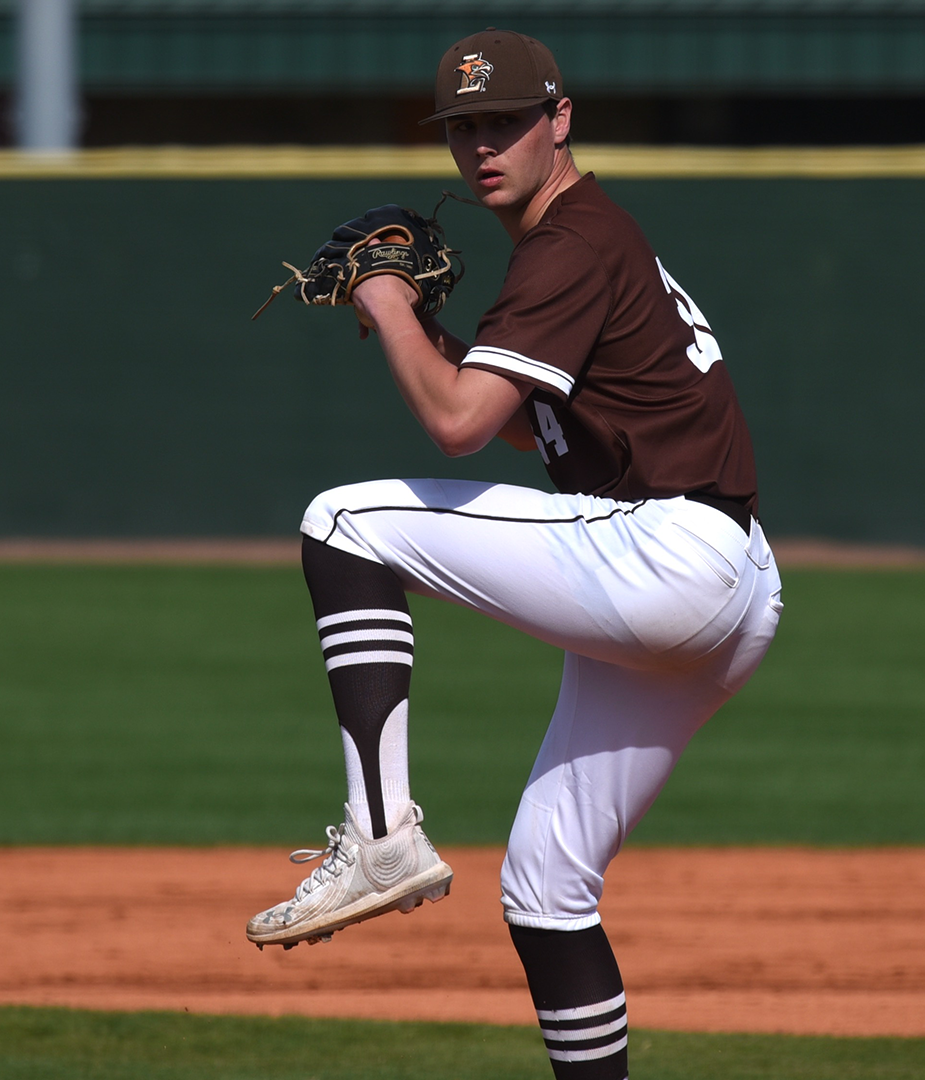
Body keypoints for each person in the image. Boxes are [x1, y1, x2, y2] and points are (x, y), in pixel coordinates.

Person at [247, 28, 783, 1080]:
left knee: (343, 523)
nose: (482, 146)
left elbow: (450, 426)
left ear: (560, 119)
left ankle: (382, 834)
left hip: (667, 552)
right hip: (723, 583)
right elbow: (506, 420)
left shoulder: (571, 243)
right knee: (546, 886)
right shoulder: (580, 242)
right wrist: (430, 335)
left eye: (505, 121)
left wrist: (386, 298)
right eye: (464, 128)